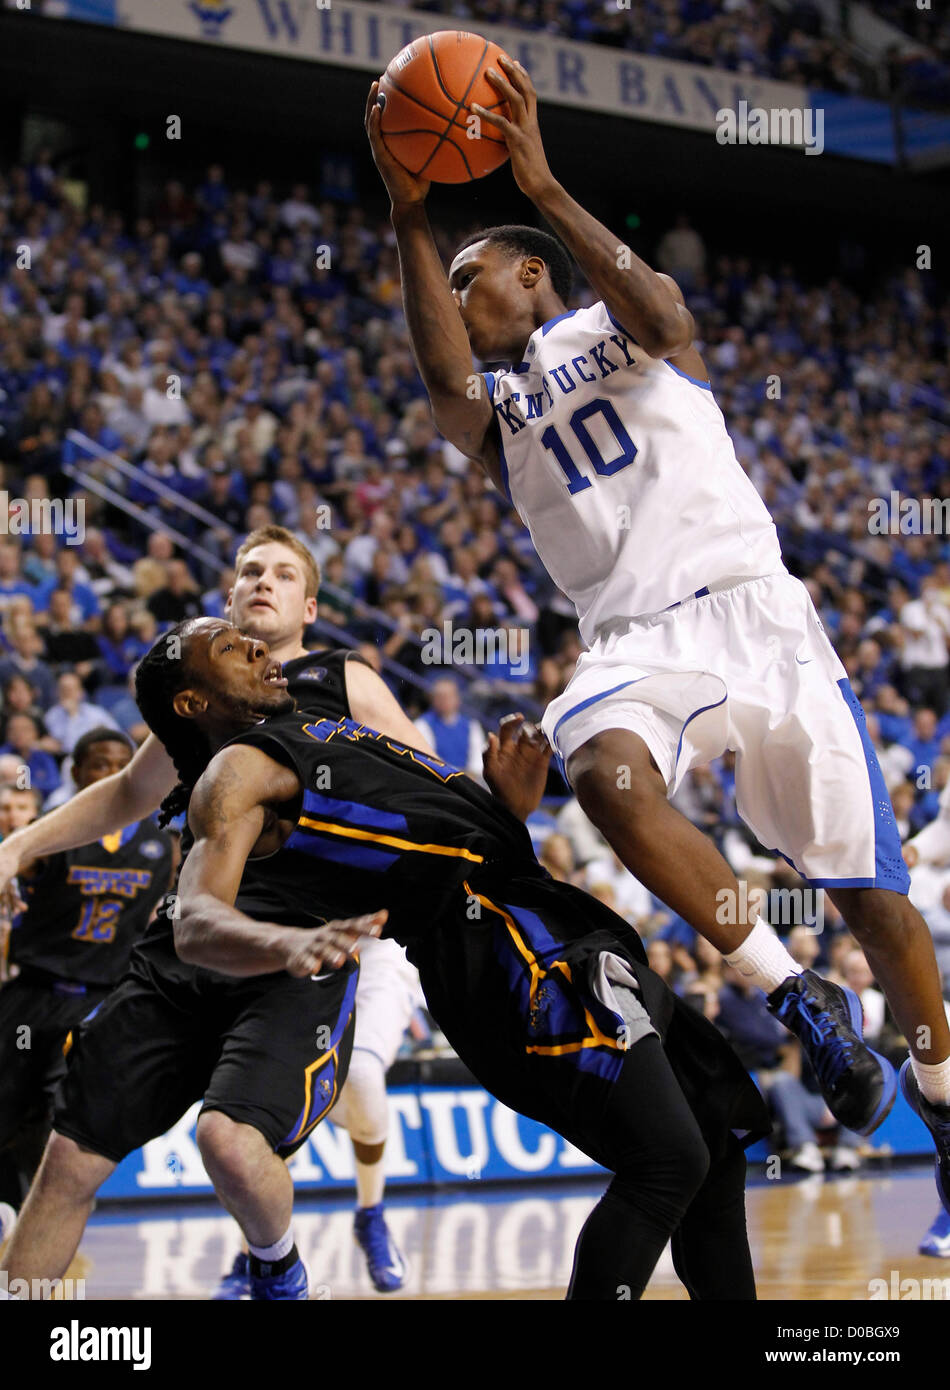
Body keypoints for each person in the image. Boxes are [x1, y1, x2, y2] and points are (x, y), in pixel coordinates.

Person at [364, 59, 950, 1207]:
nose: (457, 292)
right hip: (636, 640)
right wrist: (409, 214)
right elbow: (439, 379)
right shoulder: (498, 416)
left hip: (760, 615)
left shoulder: (610, 326)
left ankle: (938, 1088)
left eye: (471, 273)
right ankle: (794, 997)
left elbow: (670, 316)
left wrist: (537, 176)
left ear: (530, 272)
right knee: (601, 771)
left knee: (878, 911)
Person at [1, 615, 774, 1302]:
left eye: (259, 632)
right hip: (505, 952)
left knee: (715, 1143)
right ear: (198, 701)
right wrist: (288, 944)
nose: (260, 651)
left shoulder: (322, 713)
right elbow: (196, 909)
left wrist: (504, 806)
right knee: (669, 1159)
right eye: (237, 648)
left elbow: (414, 838)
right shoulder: (236, 773)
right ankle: (301, 1250)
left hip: (551, 915)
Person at [0, 525, 430, 1296]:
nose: (264, 581)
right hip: (188, 940)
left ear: (309, 605)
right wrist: (17, 847)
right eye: (249, 571)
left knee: (238, 1138)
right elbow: (127, 795)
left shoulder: (346, 681)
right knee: (68, 1158)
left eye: (283, 574)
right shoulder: (201, 692)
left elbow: (433, 795)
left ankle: (285, 1263)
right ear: (229, 597)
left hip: (301, 948)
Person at [0, 728, 173, 1244]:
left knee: (63, 1124)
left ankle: (43, 1223)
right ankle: (13, 1210)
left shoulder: (157, 845)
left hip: (99, 1002)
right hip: (32, 994)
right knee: (9, 1116)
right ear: (77, 774)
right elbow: (16, 861)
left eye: (123, 764)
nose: (113, 773)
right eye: (100, 765)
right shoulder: (56, 833)